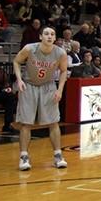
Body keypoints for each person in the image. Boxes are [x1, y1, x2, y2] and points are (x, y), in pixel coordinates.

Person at [12, 26, 68, 170]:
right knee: (26, 123)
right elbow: (16, 61)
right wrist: (19, 80)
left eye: (52, 34)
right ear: (40, 37)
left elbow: (63, 72)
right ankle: (24, 157)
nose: (49, 36)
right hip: (29, 85)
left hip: (48, 86)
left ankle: (58, 155)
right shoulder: (30, 49)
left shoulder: (60, 53)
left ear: (55, 38)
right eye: (47, 34)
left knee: (54, 122)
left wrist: (60, 90)